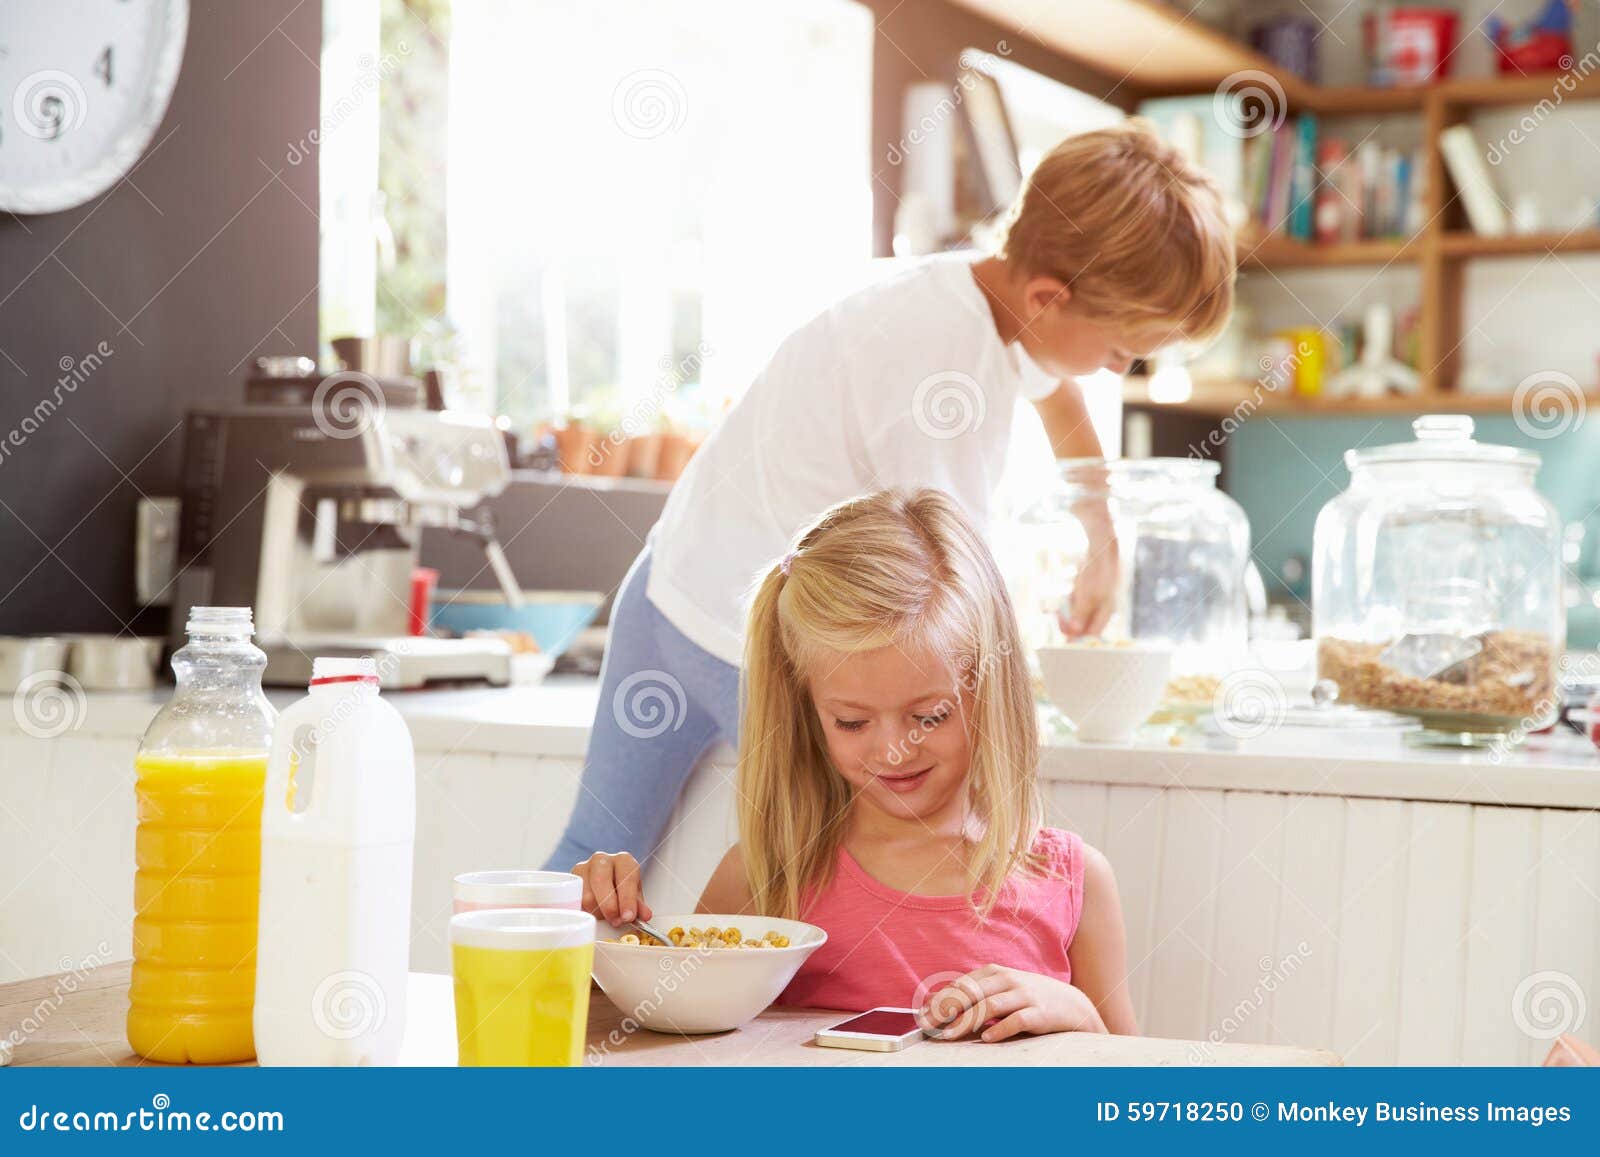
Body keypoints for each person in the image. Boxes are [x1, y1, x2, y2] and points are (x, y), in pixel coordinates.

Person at [546, 120, 1235, 871]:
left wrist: (1100, 530)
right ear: (1048, 297)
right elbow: (950, 583)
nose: (1115, 369)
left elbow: (1058, 396)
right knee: (848, 866)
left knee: (598, 851)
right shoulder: (949, 370)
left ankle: (520, 985)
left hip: (665, 590)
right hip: (751, 645)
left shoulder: (980, 290)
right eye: (1120, 351)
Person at [574, 490, 1137, 1038]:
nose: (892, 749)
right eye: (852, 722)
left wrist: (1081, 1015)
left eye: (930, 715)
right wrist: (588, 935)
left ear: (990, 691)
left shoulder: (1072, 879)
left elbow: (1137, 1100)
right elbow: (668, 1041)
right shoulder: (764, 876)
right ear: (808, 714)